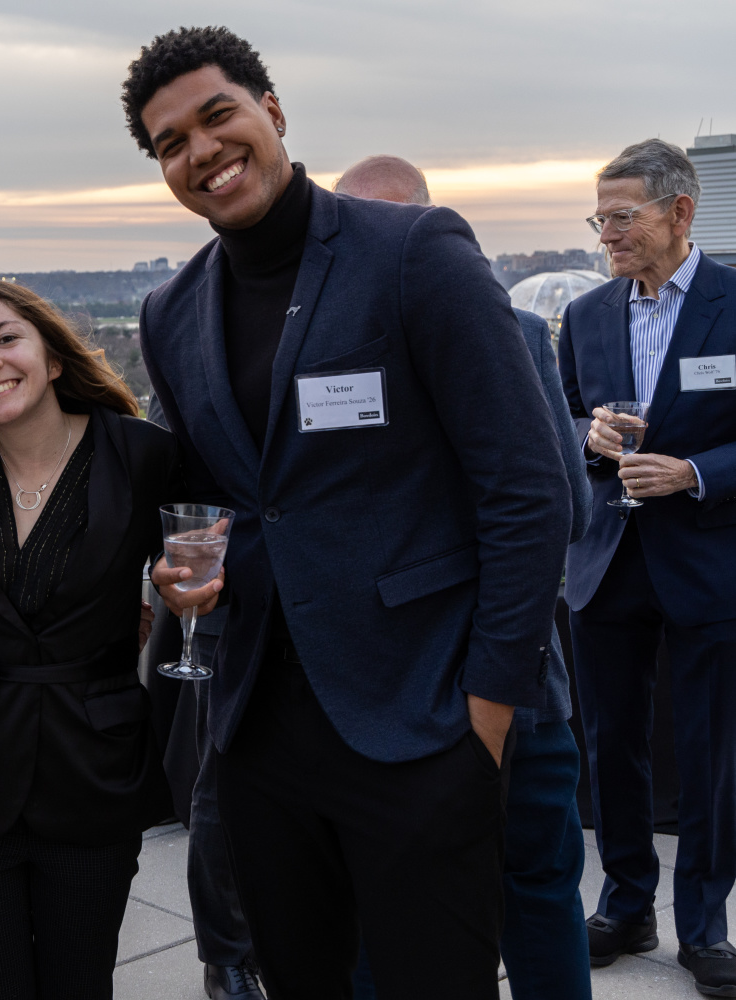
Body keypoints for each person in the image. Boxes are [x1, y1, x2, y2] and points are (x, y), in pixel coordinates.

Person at [122, 26, 572, 998]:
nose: (201, 150)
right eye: (170, 142)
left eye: (217, 115)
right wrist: (179, 570)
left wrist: (487, 714)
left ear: (272, 112)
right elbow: (221, 500)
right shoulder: (169, 312)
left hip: (421, 721)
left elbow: (529, 492)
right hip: (260, 739)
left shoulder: (414, 252)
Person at [336, 156, 594, 1000]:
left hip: (502, 693)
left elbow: (562, 511)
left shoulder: (507, 331)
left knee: (530, 902)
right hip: (395, 700)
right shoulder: (324, 346)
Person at [0, 279, 175, 1000]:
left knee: (79, 982)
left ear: (53, 357)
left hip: (95, 768)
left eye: (5, 338)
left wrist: (176, 591)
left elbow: (216, 539)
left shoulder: (142, 455)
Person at [559, 138, 736, 996]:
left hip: (710, 561)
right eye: (600, 218)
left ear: (680, 213)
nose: (607, 236)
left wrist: (696, 473)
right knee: (611, 747)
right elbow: (565, 423)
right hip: (608, 561)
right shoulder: (588, 316)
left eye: (622, 217)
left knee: (709, 755)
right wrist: (588, 441)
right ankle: (628, 903)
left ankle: (705, 928)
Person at [145, 394, 261, 1000]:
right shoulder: (191, 330)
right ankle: (227, 957)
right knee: (219, 784)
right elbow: (162, 482)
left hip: (327, 610)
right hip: (222, 605)